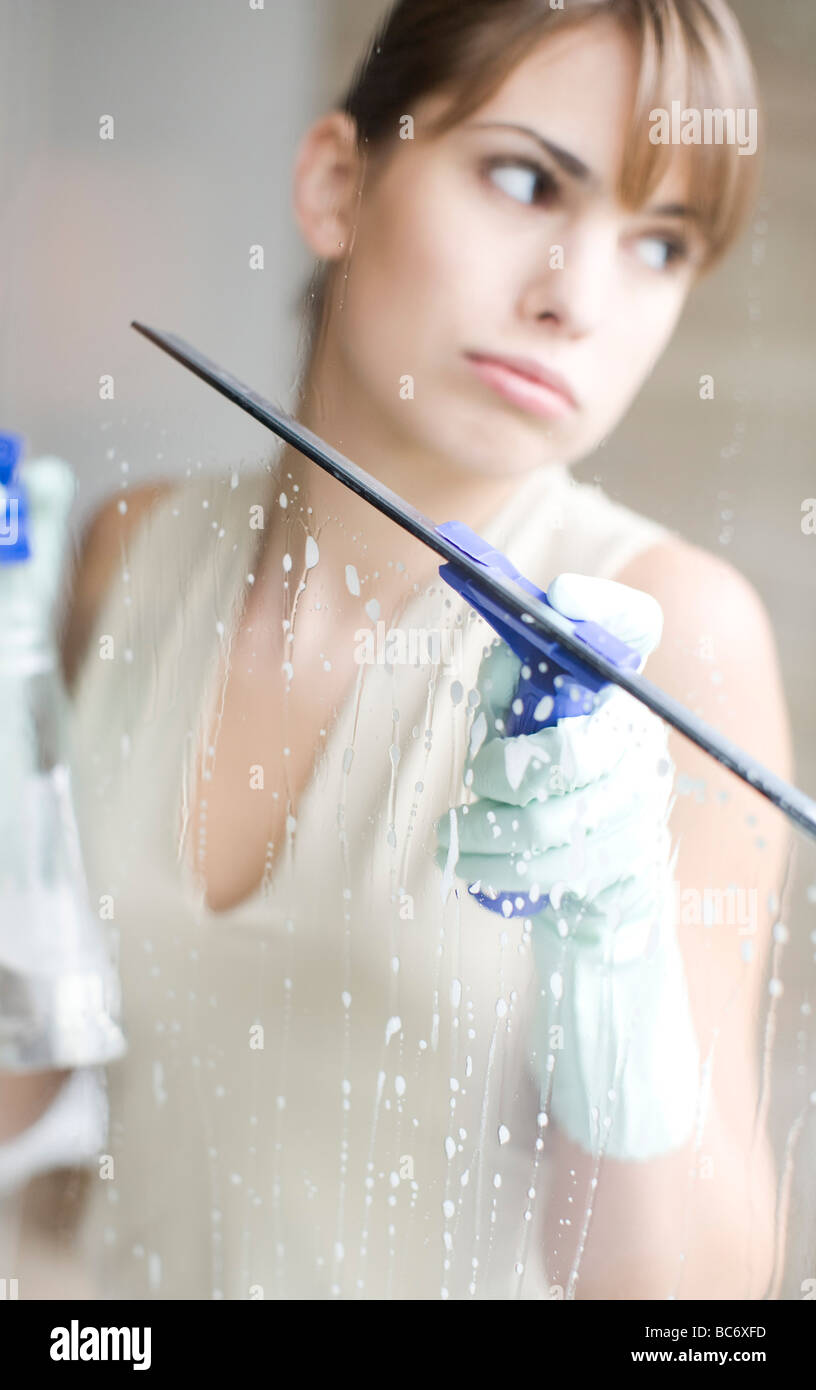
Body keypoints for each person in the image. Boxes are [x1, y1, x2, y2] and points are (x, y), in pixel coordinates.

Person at [3, 0, 794, 1300]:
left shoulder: (675, 636)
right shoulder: (126, 550)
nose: (578, 300)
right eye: (528, 179)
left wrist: (617, 961)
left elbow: (687, 1307)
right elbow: (25, 1079)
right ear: (335, 182)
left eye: (661, 245)